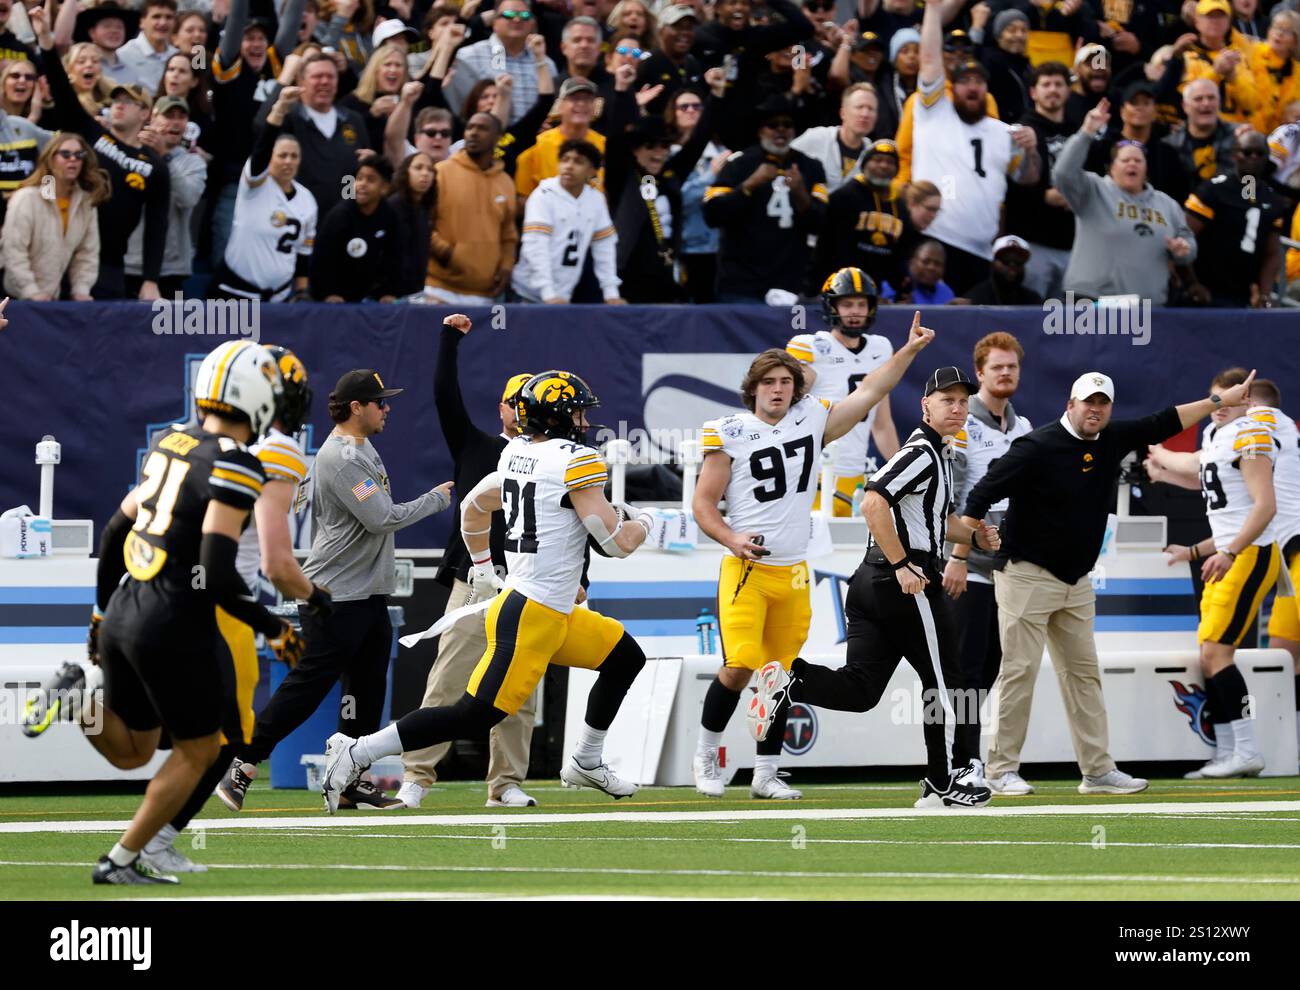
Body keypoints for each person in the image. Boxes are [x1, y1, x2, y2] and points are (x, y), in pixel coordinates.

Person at [22, 340, 298, 884]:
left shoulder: (170, 443)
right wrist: (273, 625)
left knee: (132, 750)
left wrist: (100, 615)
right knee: (200, 751)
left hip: (126, 606)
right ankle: (121, 860)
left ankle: (80, 699)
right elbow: (217, 572)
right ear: (258, 396)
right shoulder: (238, 462)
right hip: (174, 619)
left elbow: (114, 531)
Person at [321, 371, 658, 812]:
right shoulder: (574, 461)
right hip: (532, 613)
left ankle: (586, 760)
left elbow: (473, 507)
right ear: (558, 416)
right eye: (577, 411)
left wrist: (482, 566)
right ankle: (356, 751)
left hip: (548, 610)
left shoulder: (517, 451)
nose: (582, 420)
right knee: (473, 714)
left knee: (625, 658)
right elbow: (616, 544)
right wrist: (648, 521)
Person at [960, 369, 1259, 795]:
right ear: (1070, 405)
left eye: (1102, 403)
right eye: (1088, 402)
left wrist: (1216, 401)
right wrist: (964, 544)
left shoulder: (1113, 438)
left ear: (1109, 408)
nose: (1095, 410)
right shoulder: (1036, 445)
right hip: (1026, 573)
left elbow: (1165, 421)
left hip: (1076, 579)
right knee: (1019, 672)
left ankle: (1097, 771)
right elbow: (982, 492)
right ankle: (1000, 769)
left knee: (1084, 675)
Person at [691, 324, 931, 799]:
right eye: (769, 382)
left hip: (794, 570)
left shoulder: (813, 417)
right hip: (748, 571)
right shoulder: (729, 431)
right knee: (740, 665)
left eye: (786, 382)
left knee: (778, 672)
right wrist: (731, 537)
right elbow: (702, 504)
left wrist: (906, 352)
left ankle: (766, 773)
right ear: (752, 389)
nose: (778, 390)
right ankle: (707, 755)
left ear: (798, 387)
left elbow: (871, 391)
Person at [749, 360, 1001, 810]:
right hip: (903, 580)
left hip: (872, 582)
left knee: (862, 689)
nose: (958, 409)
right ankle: (950, 780)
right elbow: (872, 502)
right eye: (948, 401)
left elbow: (929, 521)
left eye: (964, 402)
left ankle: (792, 685)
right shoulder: (921, 452)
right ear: (926, 405)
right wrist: (903, 564)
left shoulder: (935, 453)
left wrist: (973, 534)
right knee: (948, 682)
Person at [222, 368, 454, 812]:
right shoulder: (344, 458)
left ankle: (350, 780)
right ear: (356, 408)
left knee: (365, 693)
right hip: (335, 598)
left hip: (367, 596)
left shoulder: (359, 449)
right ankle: (243, 763)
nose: (386, 408)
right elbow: (381, 517)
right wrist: (437, 499)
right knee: (306, 689)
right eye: (379, 401)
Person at [152, 347, 324, 870]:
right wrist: (313, 603)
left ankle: (146, 842)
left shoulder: (190, 438)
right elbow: (274, 560)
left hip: (161, 593)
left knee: (171, 733)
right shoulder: (275, 453)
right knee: (232, 735)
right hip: (223, 605)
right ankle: (154, 842)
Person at [398, 316, 536, 809]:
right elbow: (444, 395)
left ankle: (505, 783)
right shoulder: (476, 445)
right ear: (501, 408)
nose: (522, 411)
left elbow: (574, 526)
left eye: (530, 403)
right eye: (515, 403)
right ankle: (416, 776)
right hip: (475, 581)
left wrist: (579, 577)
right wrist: (448, 339)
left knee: (519, 691)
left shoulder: (557, 459)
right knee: (447, 683)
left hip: (529, 585)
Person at [1145, 368, 1276, 780]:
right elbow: (1214, 490)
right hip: (1231, 552)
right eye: (1215, 398)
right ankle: (1225, 750)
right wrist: (1195, 549)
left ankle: (1247, 750)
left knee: (1217, 653)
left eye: (1230, 398)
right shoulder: (1217, 437)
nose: (1219, 406)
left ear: (1247, 399)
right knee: (1209, 654)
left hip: (1250, 553)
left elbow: (1264, 506)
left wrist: (1229, 551)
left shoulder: (1251, 434)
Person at [909, 0, 1040, 296]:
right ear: (952, 88)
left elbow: (1027, 178)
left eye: (979, 81)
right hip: (935, 242)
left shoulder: (1004, 132)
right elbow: (929, 61)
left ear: (987, 88)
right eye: (965, 80)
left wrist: (1031, 151)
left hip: (982, 253)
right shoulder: (933, 112)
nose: (972, 86)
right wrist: (932, 11)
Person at [942, 332, 1032, 716]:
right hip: (970, 564)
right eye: (997, 367)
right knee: (964, 666)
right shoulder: (963, 425)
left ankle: (970, 754)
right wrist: (958, 557)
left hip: (1009, 564)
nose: (1006, 373)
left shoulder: (1023, 426)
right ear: (980, 372)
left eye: (1012, 366)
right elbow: (952, 496)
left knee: (995, 664)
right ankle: (956, 758)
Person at [1054, 98, 1197, 305]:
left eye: (1138, 160)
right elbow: (1063, 174)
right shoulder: (1093, 190)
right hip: (1091, 302)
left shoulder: (1167, 204)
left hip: (1147, 308)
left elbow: (1188, 242)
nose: (1133, 164)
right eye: (1125, 160)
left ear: (1146, 169)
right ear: (1111, 168)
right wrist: (1086, 133)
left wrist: (1184, 250)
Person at [787, 268, 900, 517]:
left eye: (861, 304)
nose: (855, 311)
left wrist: (901, 469)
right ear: (832, 306)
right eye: (847, 304)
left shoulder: (880, 348)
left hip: (855, 474)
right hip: (813, 472)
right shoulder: (812, 347)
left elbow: (881, 424)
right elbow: (786, 411)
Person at [705, 93, 828, 302]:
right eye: (773, 125)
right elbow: (712, 214)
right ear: (761, 129)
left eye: (787, 125)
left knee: (794, 334)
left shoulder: (811, 166)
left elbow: (823, 224)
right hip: (740, 283)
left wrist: (800, 194)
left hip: (791, 283)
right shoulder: (739, 164)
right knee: (739, 335)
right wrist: (749, 185)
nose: (781, 129)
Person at [1233, 380, 1300, 751]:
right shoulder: (1280, 429)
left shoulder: (1262, 420)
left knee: (1283, 655)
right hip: (1292, 556)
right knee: (1283, 654)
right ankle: (1293, 743)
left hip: (1297, 548)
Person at [210, 85, 317, 303]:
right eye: (282, 155)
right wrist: (280, 109)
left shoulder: (307, 199)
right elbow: (262, 148)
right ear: (271, 158)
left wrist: (301, 291)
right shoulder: (255, 185)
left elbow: (303, 253)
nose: (288, 161)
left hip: (278, 299)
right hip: (235, 294)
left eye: (294, 156)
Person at [606, 108, 712, 302]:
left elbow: (698, 142)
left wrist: (717, 95)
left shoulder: (670, 175)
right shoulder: (622, 177)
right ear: (635, 148)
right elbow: (614, 141)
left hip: (665, 273)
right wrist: (623, 93)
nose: (659, 152)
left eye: (664, 145)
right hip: (627, 276)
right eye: (650, 145)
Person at [254, 52, 371, 219]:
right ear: (301, 81)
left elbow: (359, 170)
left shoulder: (353, 120)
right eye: (317, 76)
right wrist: (283, 83)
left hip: (345, 219)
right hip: (297, 217)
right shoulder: (289, 118)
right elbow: (261, 127)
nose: (324, 82)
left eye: (330, 76)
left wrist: (371, 163)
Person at [690, 0, 815, 150]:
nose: (739, 7)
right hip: (711, 129)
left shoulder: (756, 36)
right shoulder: (700, 38)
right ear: (718, 8)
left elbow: (804, 28)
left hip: (750, 127)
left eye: (744, 3)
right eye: (732, 3)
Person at [1182, 129, 1284, 307]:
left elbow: (1272, 253)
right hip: (1207, 291)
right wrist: (1192, 283)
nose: (1253, 157)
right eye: (1247, 152)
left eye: (1260, 153)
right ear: (1235, 154)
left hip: (1242, 295)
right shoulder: (1213, 190)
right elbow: (1184, 238)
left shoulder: (1272, 200)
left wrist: (1265, 293)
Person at [514, 139, 623, 303]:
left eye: (578, 162)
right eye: (565, 159)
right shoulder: (543, 195)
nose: (569, 166)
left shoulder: (596, 199)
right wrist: (548, 292)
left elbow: (604, 247)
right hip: (528, 294)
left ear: (592, 171)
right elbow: (535, 246)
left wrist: (611, 294)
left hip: (563, 296)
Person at [424, 111, 517, 305]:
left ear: (497, 138)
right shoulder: (441, 172)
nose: (473, 133)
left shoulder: (506, 182)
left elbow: (508, 234)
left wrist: (506, 267)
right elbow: (423, 222)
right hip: (439, 290)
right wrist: (447, 253)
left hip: (485, 295)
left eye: (482, 129)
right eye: (470, 127)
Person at [2, 132, 105, 301]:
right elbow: (13, 251)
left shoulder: (86, 203)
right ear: (51, 158)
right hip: (15, 299)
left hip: (52, 298)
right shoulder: (27, 198)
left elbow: (87, 254)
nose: (73, 159)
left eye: (79, 155)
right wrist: (31, 291)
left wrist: (81, 289)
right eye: (65, 154)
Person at [1004, 62, 1074, 300]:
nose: (1053, 90)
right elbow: (1007, 187)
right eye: (1046, 84)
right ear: (1033, 92)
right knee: (1032, 320)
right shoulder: (1021, 132)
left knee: (1068, 326)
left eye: (1058, 84)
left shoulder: (1079, 132)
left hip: (1074, 246)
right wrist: (1043, 196)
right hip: (1033, 244)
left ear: (1068, 91)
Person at [124, 96, 206, 299]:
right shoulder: (131, 155)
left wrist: (164, 157)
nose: (175, 122)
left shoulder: (193, 163)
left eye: (181, 116)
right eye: (168, 115)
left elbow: (188, 198)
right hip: (128, 263)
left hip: (171, 269)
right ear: (152, 119)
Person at [812, 138, 908, 291]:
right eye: (877, 160)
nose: (883, 165)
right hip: (843, 286)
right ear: (864, 165)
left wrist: (899, 285)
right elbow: (830, 247)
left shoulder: (901, 205)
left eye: (890, 162)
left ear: (896, 169)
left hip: (882, 290)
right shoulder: (844, 197)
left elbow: (900, 252)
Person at [443, 0, 558, 126]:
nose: (517, 19)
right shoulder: (468, 56)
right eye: (509, 14)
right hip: (483, 139)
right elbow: (457, 109)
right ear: (494, 22)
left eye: (524, 15)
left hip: (535, 141)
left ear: (532, 23)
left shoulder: (546, 64)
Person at [310, 151, 400, 301]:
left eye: (370, 180)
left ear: (384, 188)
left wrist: (387, 292)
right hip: (335, 299)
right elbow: (321, 260)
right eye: (359, 179)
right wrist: (329, 293)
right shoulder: (339, 216)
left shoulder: (389, 216)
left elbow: (394, 259)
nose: (362, 184)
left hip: (368, 297)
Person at [516, 75, 606, 198]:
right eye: (574, 98)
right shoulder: (537, 146)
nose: (581, 103)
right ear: (560, 106)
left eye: (588, 99)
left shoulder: (605, 146)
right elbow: (522, 199)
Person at [790, 81, 878, 192]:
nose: (865, 114)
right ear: (843, 113)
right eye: (859, 107)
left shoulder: (874, 153)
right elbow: (785, 158)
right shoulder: (817, 137)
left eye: (871, 109)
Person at [1178, 0, 1257, 124]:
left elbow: (1252, 103)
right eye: (1209, 16)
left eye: (1220, 16)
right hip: (1201, 127)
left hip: (1235, 130)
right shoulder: (1187, 57)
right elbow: (1186, 98)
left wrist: (1233, 78)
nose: (1215, 21)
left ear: (1228, 22)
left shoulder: (1238, 56)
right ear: (1197, 22)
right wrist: (1215, 72)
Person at [1161, 77, 1239, 203]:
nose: (1206, 103)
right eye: (1198, 99)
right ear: (1185, 106)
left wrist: (1248, 202)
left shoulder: (1239, 137)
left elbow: (1250, 179)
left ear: (1219, 102)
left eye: (1211, 98)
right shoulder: (1169, 145)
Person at [636, 4, 703, 117]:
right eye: (677, 27)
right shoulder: (647, 63)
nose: (685, 33)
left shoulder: (693, 63)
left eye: (689, 28)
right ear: (661, 30)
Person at [387, 151, 437, 298]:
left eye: (430, 170)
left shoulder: (425, 209)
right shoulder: (392, 207)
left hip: (417, 292)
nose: (425, 174)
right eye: (418, 168)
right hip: (391, 296)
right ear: (405, 172)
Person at [1248, 9, 1300, 134]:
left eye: (1286, 31)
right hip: (1249, 133)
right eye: (1276, 27)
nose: (1279, 33)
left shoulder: (1297, 72)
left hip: (1280, 139)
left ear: (1296, 40)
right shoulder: (1251, 54)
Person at [65, 1, 139, 86]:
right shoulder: (82, 66)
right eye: (107, 26)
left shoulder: (131, 69)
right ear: (92, 33)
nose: (114, 31)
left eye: (119, 27)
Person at [118, 0, 179, 93]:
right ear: (142, 22)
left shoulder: (177, 55)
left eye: (169, 17)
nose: (163, 22)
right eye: (156, 17)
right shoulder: (123, 56)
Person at [963, 234, 1042, 304]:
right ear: (993, 263)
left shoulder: (1033, 301)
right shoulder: (975, 298)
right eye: (1006, 259)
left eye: (1018, 261)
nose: (1012, 265)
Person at [892, 238, 954, 304]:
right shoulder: (893, 284)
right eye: (926, 262)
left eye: (938, 263)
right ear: (911, 263)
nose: (931, 268)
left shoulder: (947, 292)